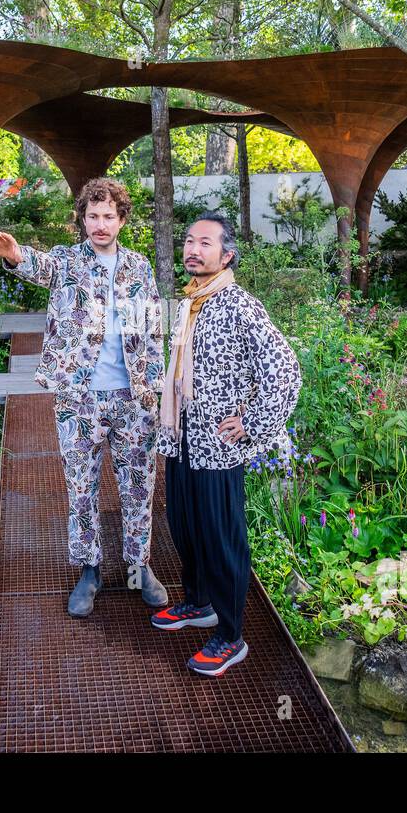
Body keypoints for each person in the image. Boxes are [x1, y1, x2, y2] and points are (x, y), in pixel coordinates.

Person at [0, 178, 167, 618]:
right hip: (78, 397)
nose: (100, 224)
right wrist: (15, 256)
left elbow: (154, 329)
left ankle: (139, 567)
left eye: (108, 216)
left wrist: (156, 389)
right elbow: (38, 265)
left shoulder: (139, 268)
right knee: (81, 488)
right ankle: (89, 569)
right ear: (81, 219)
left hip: (133, 398)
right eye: (92, 216)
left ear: (122, 219)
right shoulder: (67, 261)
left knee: (139, 486)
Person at [151, 211, 301, 677]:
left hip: (216, 445)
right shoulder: (190, 301)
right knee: (185, 525)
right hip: (182, 439)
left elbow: (285, 369)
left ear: (227, 254)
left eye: (205, 243)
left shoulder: (239, 304)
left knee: (221, 537)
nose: (193, 249)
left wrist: (253, 423)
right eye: (189, 241)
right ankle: (199, 603)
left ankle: (230, 635)